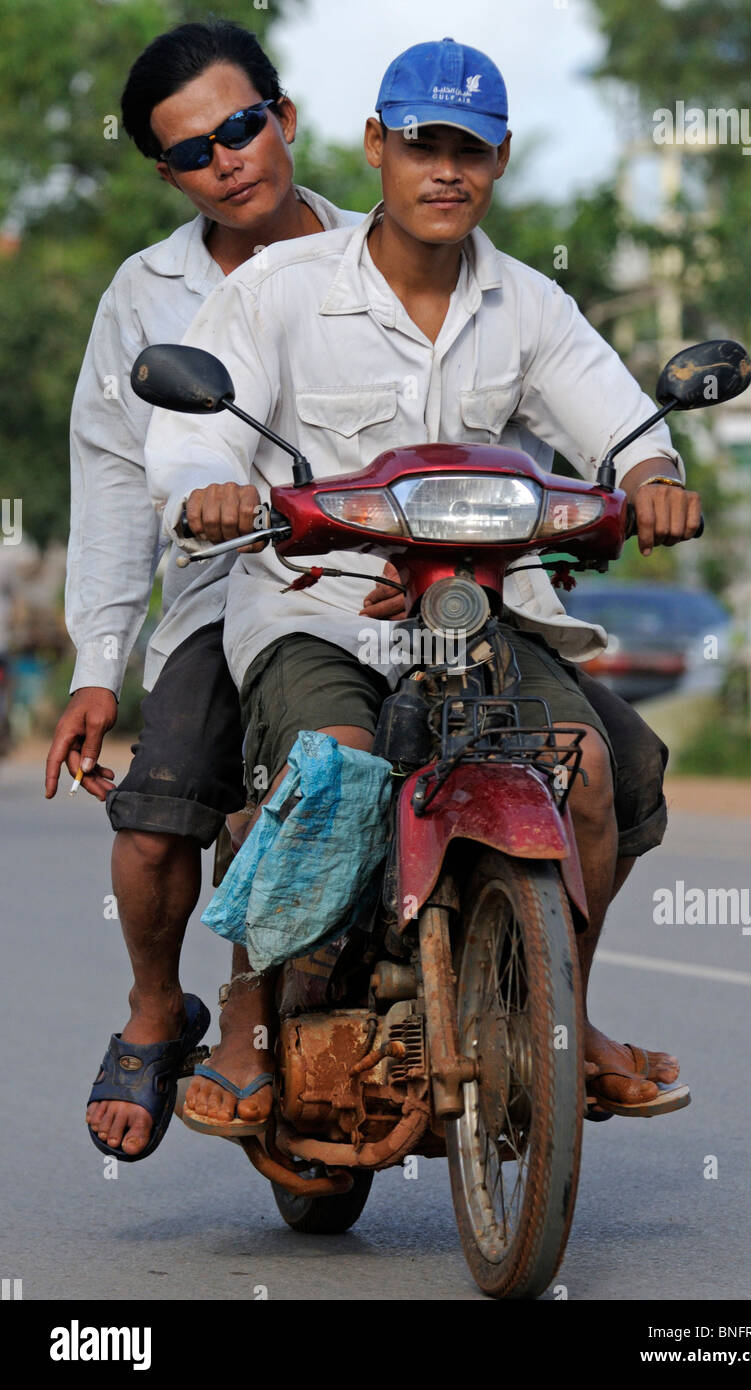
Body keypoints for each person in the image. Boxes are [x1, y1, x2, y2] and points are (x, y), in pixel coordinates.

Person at [145, 38, 697, 1135]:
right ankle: (249, 1013)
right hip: (319, 606)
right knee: (330, 765)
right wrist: (211, 486)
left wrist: (651, 476)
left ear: (499, 161)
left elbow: (620, 420)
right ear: (375, 148)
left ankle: (564, 1015)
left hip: (477, 610)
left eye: (469, 151)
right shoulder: (279, 290)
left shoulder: (530, 304)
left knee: (596, 768)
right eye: (421, 146)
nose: (445, 171)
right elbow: (195, 434)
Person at [43, 19, 376, 1161]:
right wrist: (96, 666)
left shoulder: (391, 257)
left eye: (241, 127)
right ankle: (158, 1008)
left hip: (392, 591)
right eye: (193, 152)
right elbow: (113, 480)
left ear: (285, 119)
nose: (227, 161)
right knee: (155, 823)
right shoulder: (146, 294)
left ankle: (545, 1002)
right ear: (166, 174)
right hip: (225, 596)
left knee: (571, 757)